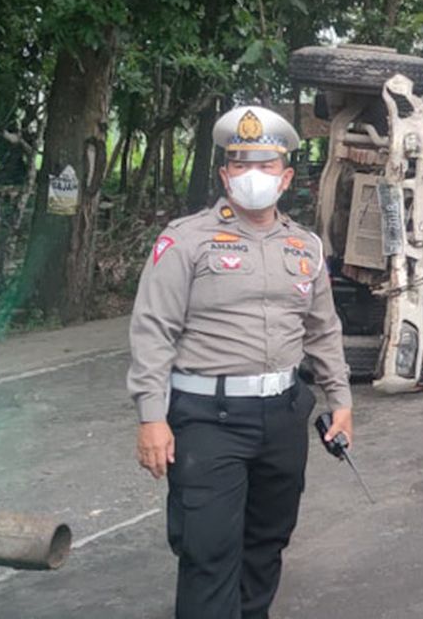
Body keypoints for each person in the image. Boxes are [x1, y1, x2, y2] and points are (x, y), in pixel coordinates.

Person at [127, 105, 353, 618]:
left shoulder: (305, 246)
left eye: (266, 165)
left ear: (286, 175)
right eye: (241, 164)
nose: (254, 175)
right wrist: (151, 417)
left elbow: (322, 329)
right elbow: (152, 329)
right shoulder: (185, 240)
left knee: (266, 545)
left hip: (282, 417)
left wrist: (340, 400)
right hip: (207, 420)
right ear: (225, 174)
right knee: (208, 552)